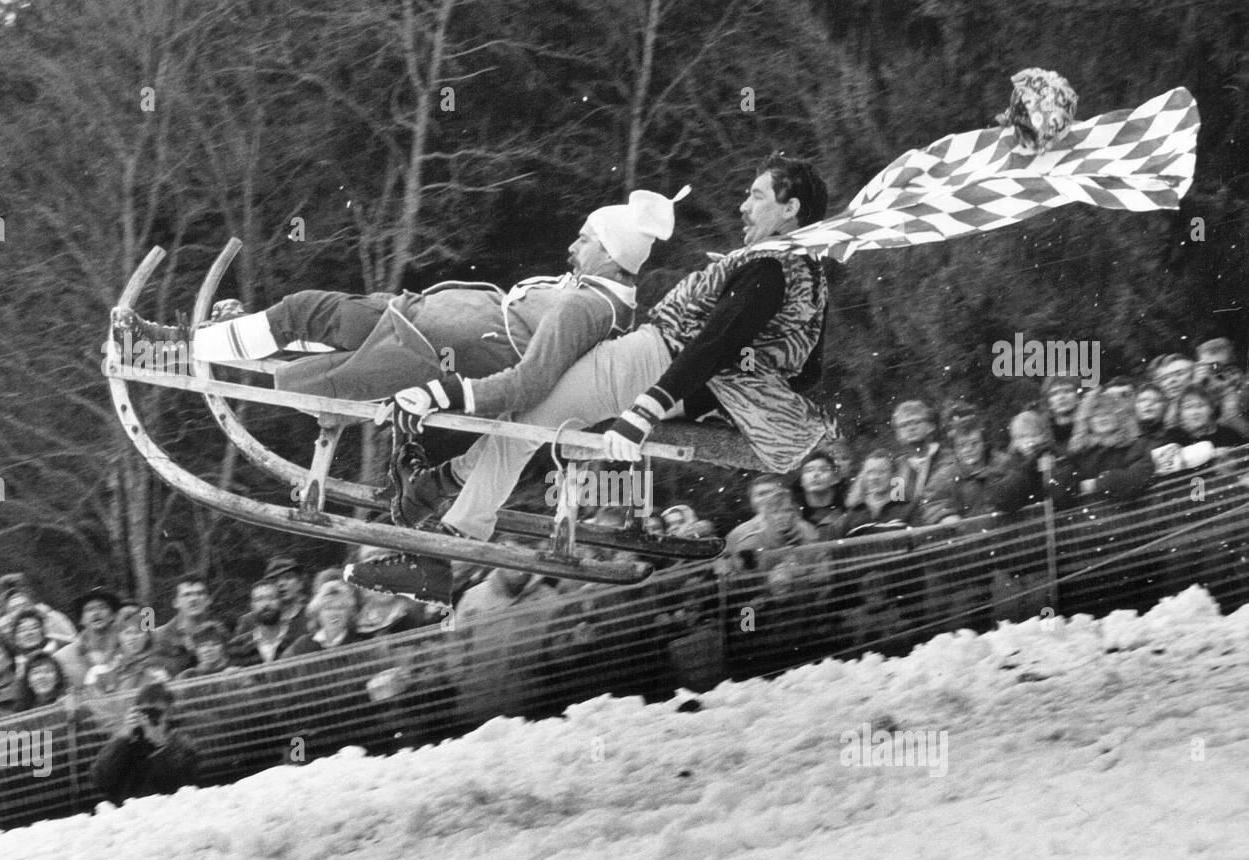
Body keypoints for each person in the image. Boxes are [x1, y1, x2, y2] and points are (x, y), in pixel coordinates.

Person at [356, 153, 835, 602]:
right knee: (528, 423)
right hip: (660, 366)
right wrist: (715, 395)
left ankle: (441, 553)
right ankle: (440, 489)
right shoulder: (810, 276)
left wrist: (646, 411)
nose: (743, 206)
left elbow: (712, 344)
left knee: (524, 420)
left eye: (756, 196)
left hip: (649, 360)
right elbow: (805, 371)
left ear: (790, 208)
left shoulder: (769, 267)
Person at [112, 189, 684, 412]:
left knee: (303, 316)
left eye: (584, 238)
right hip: (415, 321)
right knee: (301, 329)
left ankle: (163, 348)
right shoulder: (594, 297)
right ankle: (193, 342)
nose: (572, 245)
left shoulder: (587, 307)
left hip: (425, 342)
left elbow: (531, 381)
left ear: (611, 251)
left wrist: (451, 393)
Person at [90, 682, 201, 806]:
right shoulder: (128, 742)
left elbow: (184, 787)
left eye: (156, 713)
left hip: (168, 807)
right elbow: (100, 779)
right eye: (145, 712)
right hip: (130, 809)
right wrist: (123, 737)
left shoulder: (181, 743)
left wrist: (162, 747)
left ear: (169, 713)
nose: (149, 718)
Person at [1048, 389, 1154, 509]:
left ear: (1119, 416)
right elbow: (1059, 489)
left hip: (1130, 511)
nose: (1102, 418)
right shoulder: (1079, 451)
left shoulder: (1136, 444)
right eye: (1095, 415)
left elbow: (1136, 477)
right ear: (1087, 421)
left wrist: (1094, 484)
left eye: (1108, 413)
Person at [0, 573, 76, 670]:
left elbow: (74, 643)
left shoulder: (51, 618)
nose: (20, 611)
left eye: (24, 605)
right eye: (14, 608)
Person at [917, 419, 1011, 524]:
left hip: (1006, 527)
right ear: (955, 449)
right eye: (961, 445)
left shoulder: (1004, 465)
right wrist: (944, 515)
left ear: (984, 443)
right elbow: (930, 503)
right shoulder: (945, 475)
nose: (968, 449)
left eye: (974, 443)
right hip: (967, 532)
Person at [724, 474, 821, 564]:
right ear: (751, 501)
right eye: (761, 494)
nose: (768, 498)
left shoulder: (806, 530)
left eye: (773, 492)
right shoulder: (738, 535)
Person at [86, 605, 178, 696]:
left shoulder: (160, 664)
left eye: (138, 632)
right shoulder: (106, 669)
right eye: (127, 633)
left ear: (148, 636)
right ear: (119, 636)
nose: (132, 638)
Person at [53, 588, 122, 690]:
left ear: (113, 615)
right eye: (89, 609)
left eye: (102, 607)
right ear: (81, 619)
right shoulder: (62, 658)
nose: (96, 613)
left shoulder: (130, 646)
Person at [835, 451, 914, 538]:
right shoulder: (853, 514)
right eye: (869, 472)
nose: (874, 477)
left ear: (893, 475)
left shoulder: (908, 508)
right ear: (864, 477)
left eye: (881, 472)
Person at [227, 579, 305, 666]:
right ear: (252, 606)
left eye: (271, 598)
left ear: (281, 602)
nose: (265, 604)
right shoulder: (238, 646)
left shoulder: (299, 636)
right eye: (259, 599)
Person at [151, 575, 214, 672]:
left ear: (208, 600)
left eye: (200, 593)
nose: (193, 599)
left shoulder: (220, 629)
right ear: (175, 603)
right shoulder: (159, 638)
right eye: (187, 595)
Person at [285, 581, 368, 655]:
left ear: (349, 613)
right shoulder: (302, 645)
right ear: (318, 614)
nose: (334, 613)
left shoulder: (361, 642)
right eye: (328, 608)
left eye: (340, 608)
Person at [796, 450, 846, 538]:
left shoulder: (847, 509)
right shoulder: (794, 513)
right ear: (801, 480)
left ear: (836, 478)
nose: (815, 474)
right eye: (809, 470)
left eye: (823, 470)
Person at [1042, 376, 1081, 450]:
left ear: (1078, 397)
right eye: (1054, 393)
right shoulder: (1042, 432)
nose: (1061, 397)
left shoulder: (1093, 426)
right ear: (1048, 402)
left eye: (1067, 391)